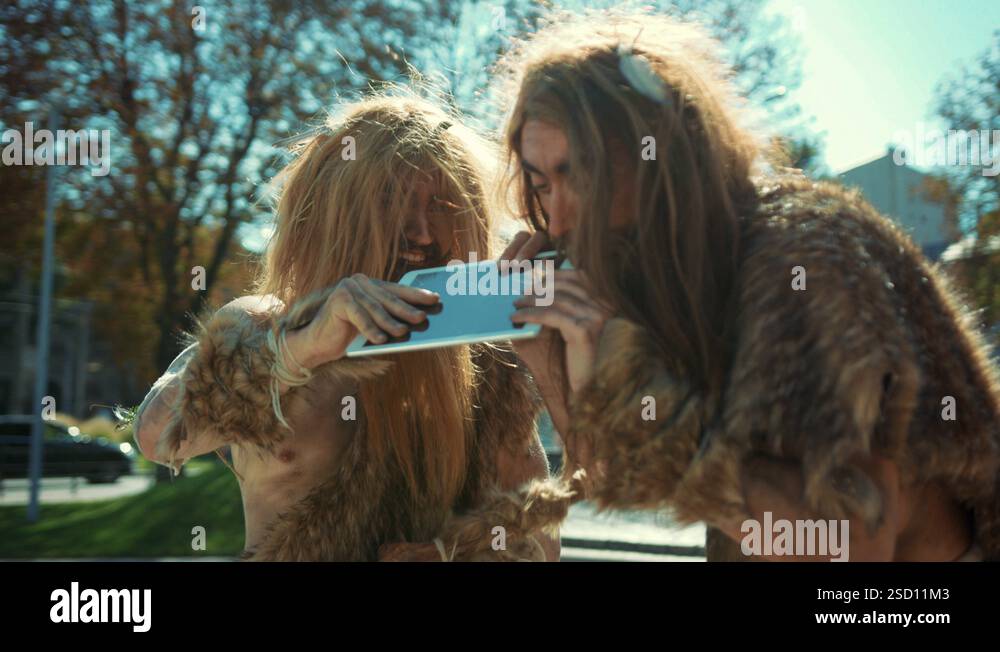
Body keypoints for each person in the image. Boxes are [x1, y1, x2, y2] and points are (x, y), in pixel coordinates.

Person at [427, 10, 1000, 562]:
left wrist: (634, 387)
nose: (560, 221)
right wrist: (554, 362)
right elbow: (612, 479)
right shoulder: (673, 288)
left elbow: (850, 543)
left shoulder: (799, 255)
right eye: (541, 184)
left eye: (583, 175)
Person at [131, 92, 559, 562]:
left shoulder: (485, 367)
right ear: (338, 212)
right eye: (389, 198)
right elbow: (158, 437)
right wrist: (302, 350)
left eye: (439, 205)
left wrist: (445, 553)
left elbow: (538, 535)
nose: (418, 231)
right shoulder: (261, 327)